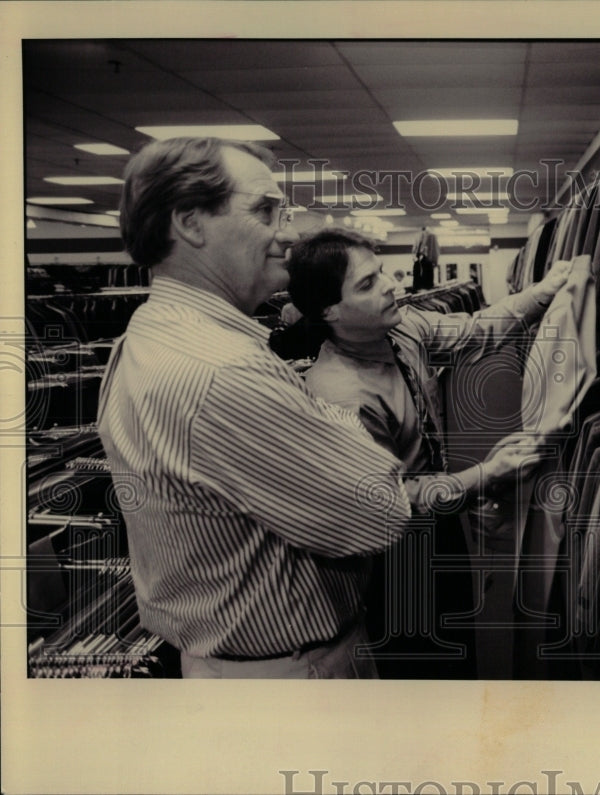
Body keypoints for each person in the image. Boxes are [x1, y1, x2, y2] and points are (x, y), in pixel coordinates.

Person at [96, 137, 415, 679]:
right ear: (190, 223)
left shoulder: (146, 333)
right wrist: (329, 410)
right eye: (265, 211)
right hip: (291, 678)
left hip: (226, 665)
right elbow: (380, 512)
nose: (287, 233)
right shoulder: (226, 370)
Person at [282, 228, 570, 677]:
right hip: (394, 560)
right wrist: (488, 474)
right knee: (421, 670)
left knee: (458, 650)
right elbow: (390, 500)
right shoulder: (341, 396)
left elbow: (478, 329)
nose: (390, 285)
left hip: (440, 523)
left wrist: (546, 291)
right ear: (328, 311)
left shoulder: (402, 329)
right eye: (367, 284)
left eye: (381, 273)